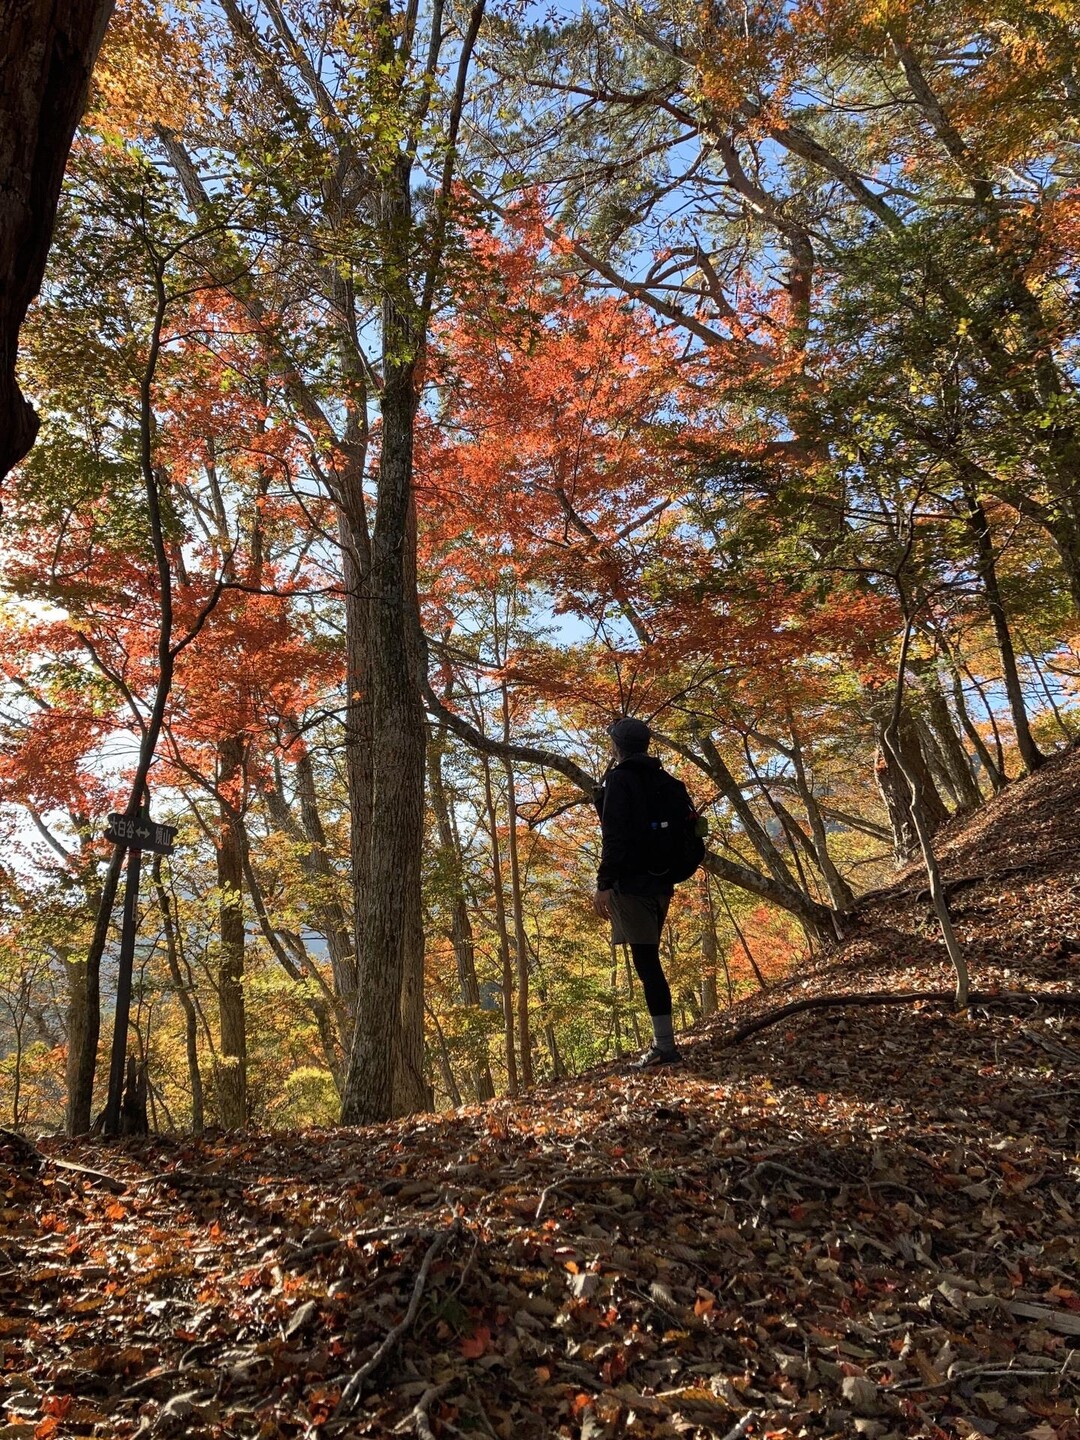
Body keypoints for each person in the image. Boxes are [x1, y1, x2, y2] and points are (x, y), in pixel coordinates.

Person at [593, 716, 683, 1067]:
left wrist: (603, 884)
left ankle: (665, 1047)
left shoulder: (620, 779)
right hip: (663, 883)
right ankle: (664, 1043)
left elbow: (615, 838)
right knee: (650, 960)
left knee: (647, 964)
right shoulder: (666, 781)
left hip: (631, 885)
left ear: (618, 748)